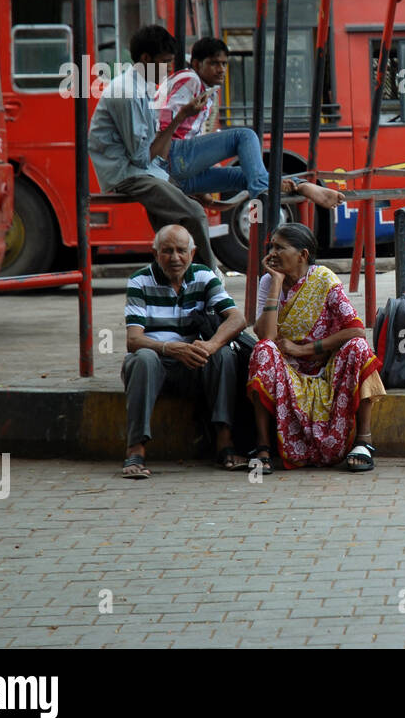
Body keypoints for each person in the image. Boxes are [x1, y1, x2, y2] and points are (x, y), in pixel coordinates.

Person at [247, 223, 385, 473]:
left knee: (359, 347)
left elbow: (355, 329)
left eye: (280, 247)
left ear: (303, 255)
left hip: (325, 366)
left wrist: (304, 350)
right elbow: (266, 335)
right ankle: (262, 447)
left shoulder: (323, 278)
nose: (273, 253)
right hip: (288, 370)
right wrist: (276, 283)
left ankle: (364, 442)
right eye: (271, 247)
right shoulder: (268, 281)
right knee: (263, 350)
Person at [156, 37, 345, 212]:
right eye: (214, 63)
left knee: (247, 173)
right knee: (245, 136)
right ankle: (264, 196)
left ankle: (301, 185)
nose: (221, 69)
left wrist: (201, 187)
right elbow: (163, 123)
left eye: (224, 64)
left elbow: (188, 135)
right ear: (196, 64)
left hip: (180, 178)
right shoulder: (190, 79)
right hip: (171, 158)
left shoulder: (206, 89)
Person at [119, 225, 247, 479]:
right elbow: (133, 340)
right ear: (155, 253)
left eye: (181, 251)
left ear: (193, 252)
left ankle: (224, 442)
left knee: (222, 354)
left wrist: (210, 345)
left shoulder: (203, 276)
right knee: (142, 358)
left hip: (192, 364)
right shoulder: (139, 280)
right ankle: (135, 450)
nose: (175, 258)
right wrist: (168, 348)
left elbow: (237, 319)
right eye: (167, 251)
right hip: (156, 364)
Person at [87, 25, 217, 268]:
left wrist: (182, 116)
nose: (169, 68)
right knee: (195, 214)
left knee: (172, 228)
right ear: (145, 59)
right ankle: (211, 277)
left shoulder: (145, 88)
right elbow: (140, 156)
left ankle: (178, 279)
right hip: (127, 173)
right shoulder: (128, 93)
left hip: (146, 168)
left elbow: (153, 149)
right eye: (165, 62)